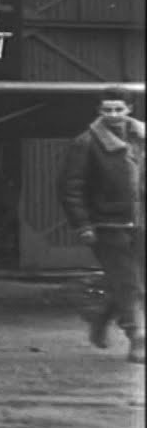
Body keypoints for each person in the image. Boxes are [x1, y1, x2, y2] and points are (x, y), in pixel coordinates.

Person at [59, 86, 145, 364]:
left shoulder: (141, 139)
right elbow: (70, 187)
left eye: (118, 109)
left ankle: (100, 317)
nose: (113, 115)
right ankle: (138, 339)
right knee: (129, 283)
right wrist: (82, 224)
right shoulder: (85, 143)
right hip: (108, 223)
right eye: (107, 110)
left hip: (141, 221)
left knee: (128, 281)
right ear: (99, 111)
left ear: (129, 110)